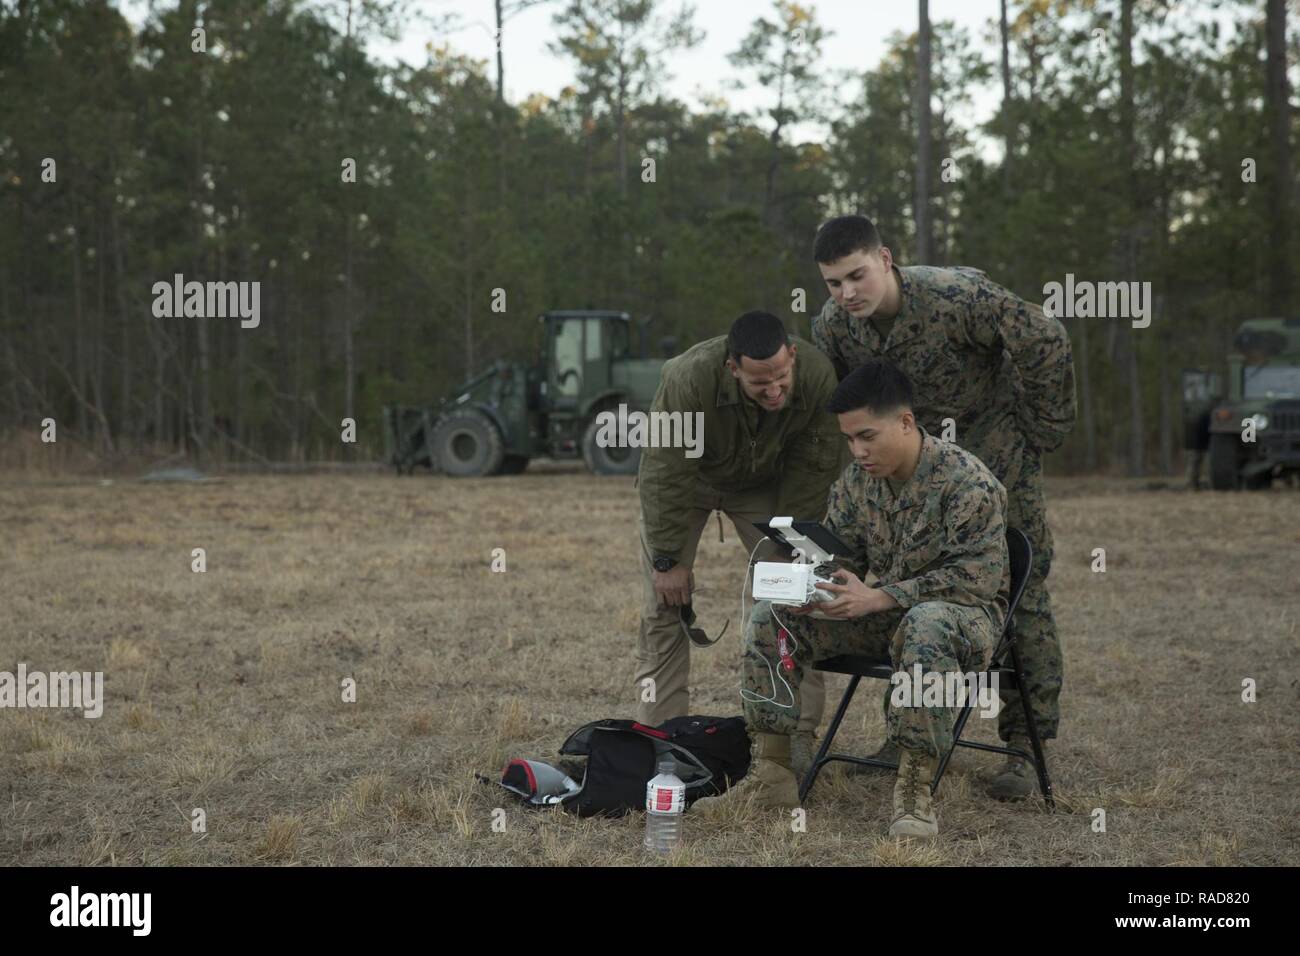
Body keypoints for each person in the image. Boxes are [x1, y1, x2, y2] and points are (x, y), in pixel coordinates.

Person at [809, 215, 1074, 799]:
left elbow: (1044, 337)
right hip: (910, 470)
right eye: (833, 282)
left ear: (886, 258)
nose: (847, 293)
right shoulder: (835, 327)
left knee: (1018, 592)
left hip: (995, 455)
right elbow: (845, 402)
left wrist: (1041, 430)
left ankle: (1025, 748)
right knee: (909, 589)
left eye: (856, 275)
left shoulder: (956, 296)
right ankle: (911, 733)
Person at [695, 358, 1008, 837]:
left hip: (963, 621)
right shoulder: (858, 483)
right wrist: (814, 586)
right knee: (772, 615)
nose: (857, 451)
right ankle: (773, 771)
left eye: (867, 436)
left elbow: (976, 578)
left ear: (905, 422)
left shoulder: (968, 482)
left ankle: (914, 788)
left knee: (927, 623)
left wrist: (880, 596)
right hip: (886, 612)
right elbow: (843, 555)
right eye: (848, 440)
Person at [635, 311, 841, 775]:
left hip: (762, 487)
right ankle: (666, 742)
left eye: (781, 378)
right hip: (689, 482)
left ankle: (794, 738)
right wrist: (668, 559)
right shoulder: (687, 378)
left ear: (792, 355)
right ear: (732, 369)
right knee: (663, 606)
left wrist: (795, 541)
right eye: (758, 383)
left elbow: (816, 462)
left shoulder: (818, 375)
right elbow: (665, 468)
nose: (774, 391)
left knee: (791, 595)